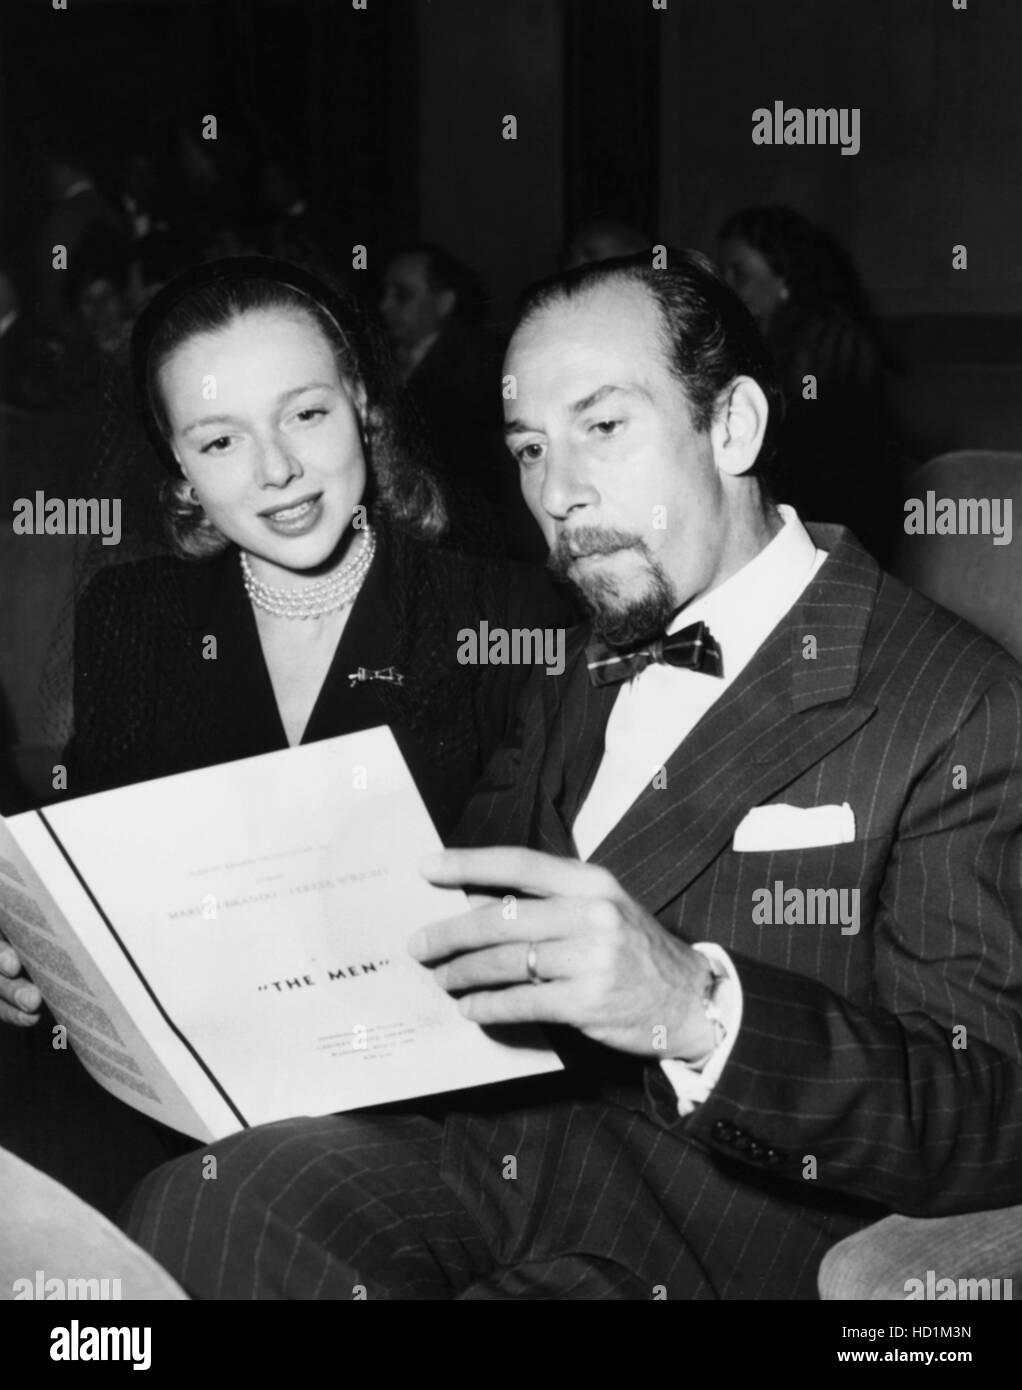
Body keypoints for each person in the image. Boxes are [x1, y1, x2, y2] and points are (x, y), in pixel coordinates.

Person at [115, 254, 1022, 1300]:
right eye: (529, 449)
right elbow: (448, 909)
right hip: (495, 1157)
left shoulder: (957, 704)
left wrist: (692, 1005)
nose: (556, 493)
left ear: (731, 426)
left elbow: (990, 1103)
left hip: (725, 1229)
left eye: (601, 427)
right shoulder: (584, 655)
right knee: (205, 1204)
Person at [0, 255, 568, 1031]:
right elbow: (117, 893)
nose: (277, 471)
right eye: (220, 442)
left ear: (361, 403)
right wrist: (36, 948)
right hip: (209, 1081)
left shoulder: (510, 615)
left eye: (305, 414)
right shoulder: (131, 616)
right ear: (177, 463)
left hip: (446, 1109)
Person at [717, 207, 898, 561]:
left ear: (785, 276)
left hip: (835, 528)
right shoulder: (753, 340)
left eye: (740, 274)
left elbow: (813, 454)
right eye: (723, 274)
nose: (728, 288)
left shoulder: (833, 340)